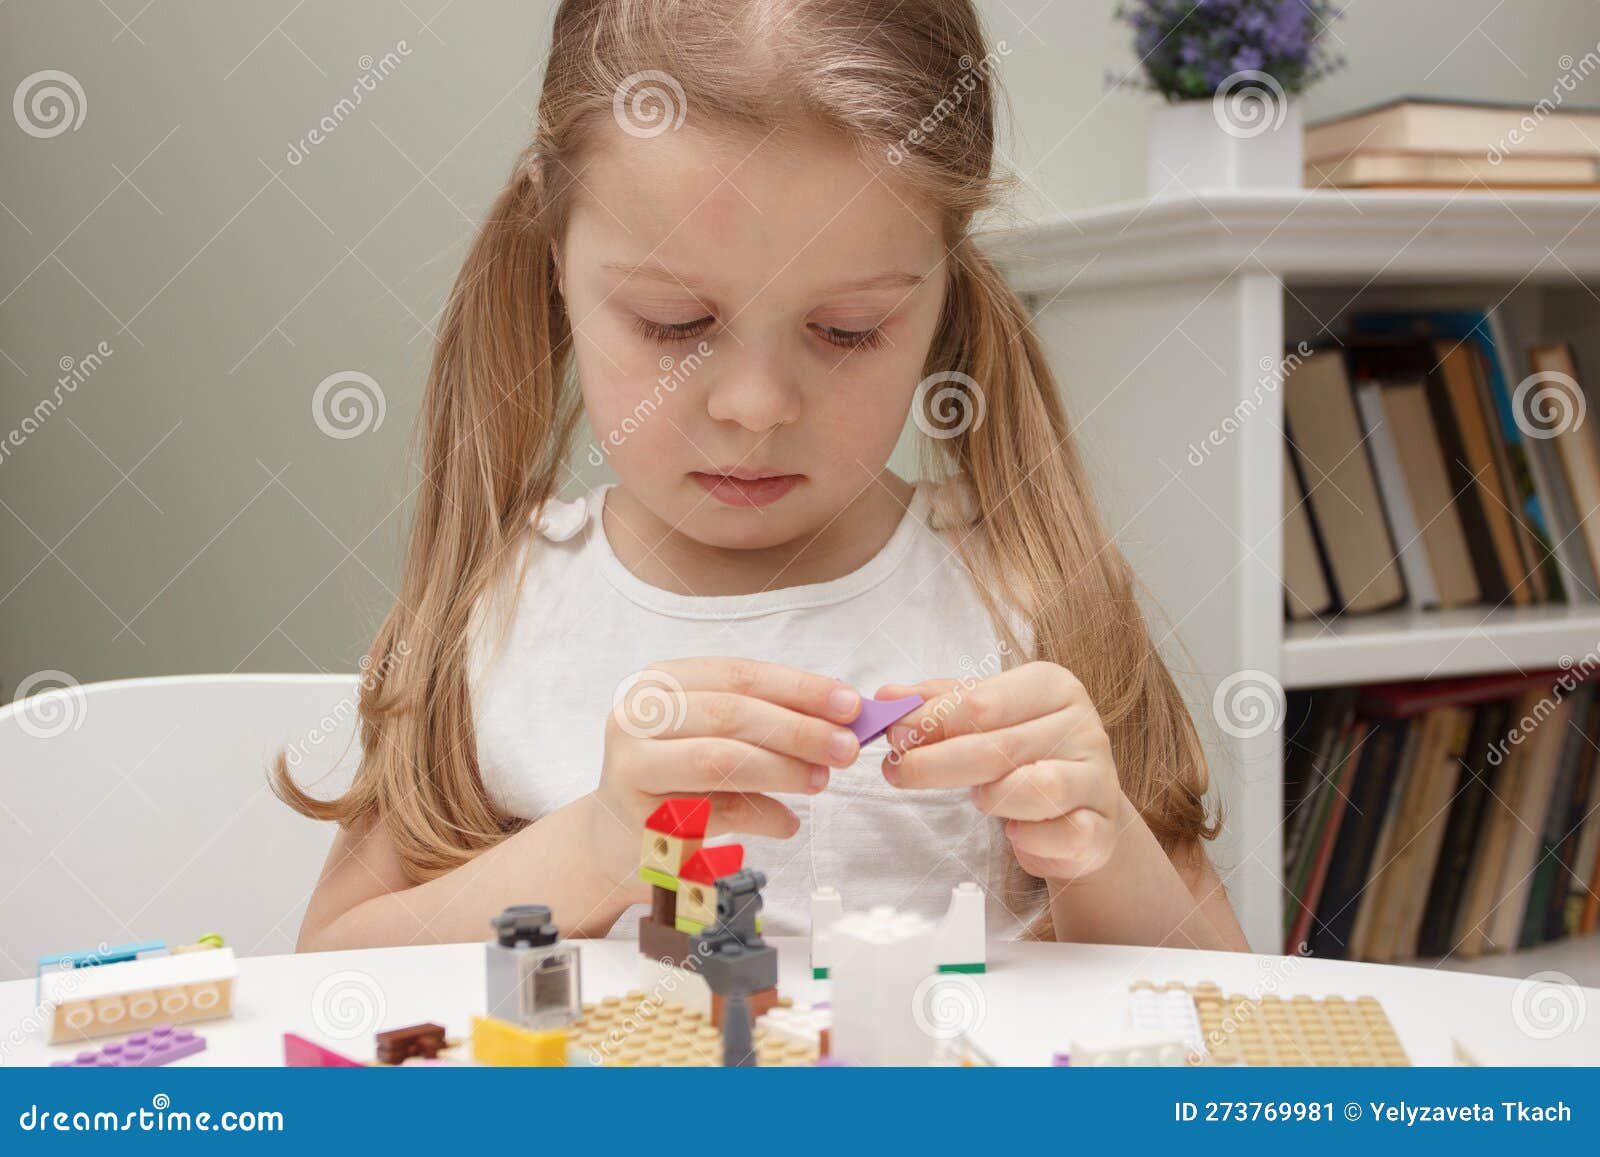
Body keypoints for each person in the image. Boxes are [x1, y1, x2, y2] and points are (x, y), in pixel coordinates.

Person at [276, 0, 1248, 956]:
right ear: (553, 256)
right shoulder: (497, 605)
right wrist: (600, 845)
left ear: (945, 284)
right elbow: (334, 965)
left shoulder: (1032, 589)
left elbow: (1225, 1002)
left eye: (848, 331)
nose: (754, 405)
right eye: (672, 323)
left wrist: (1101, 844)